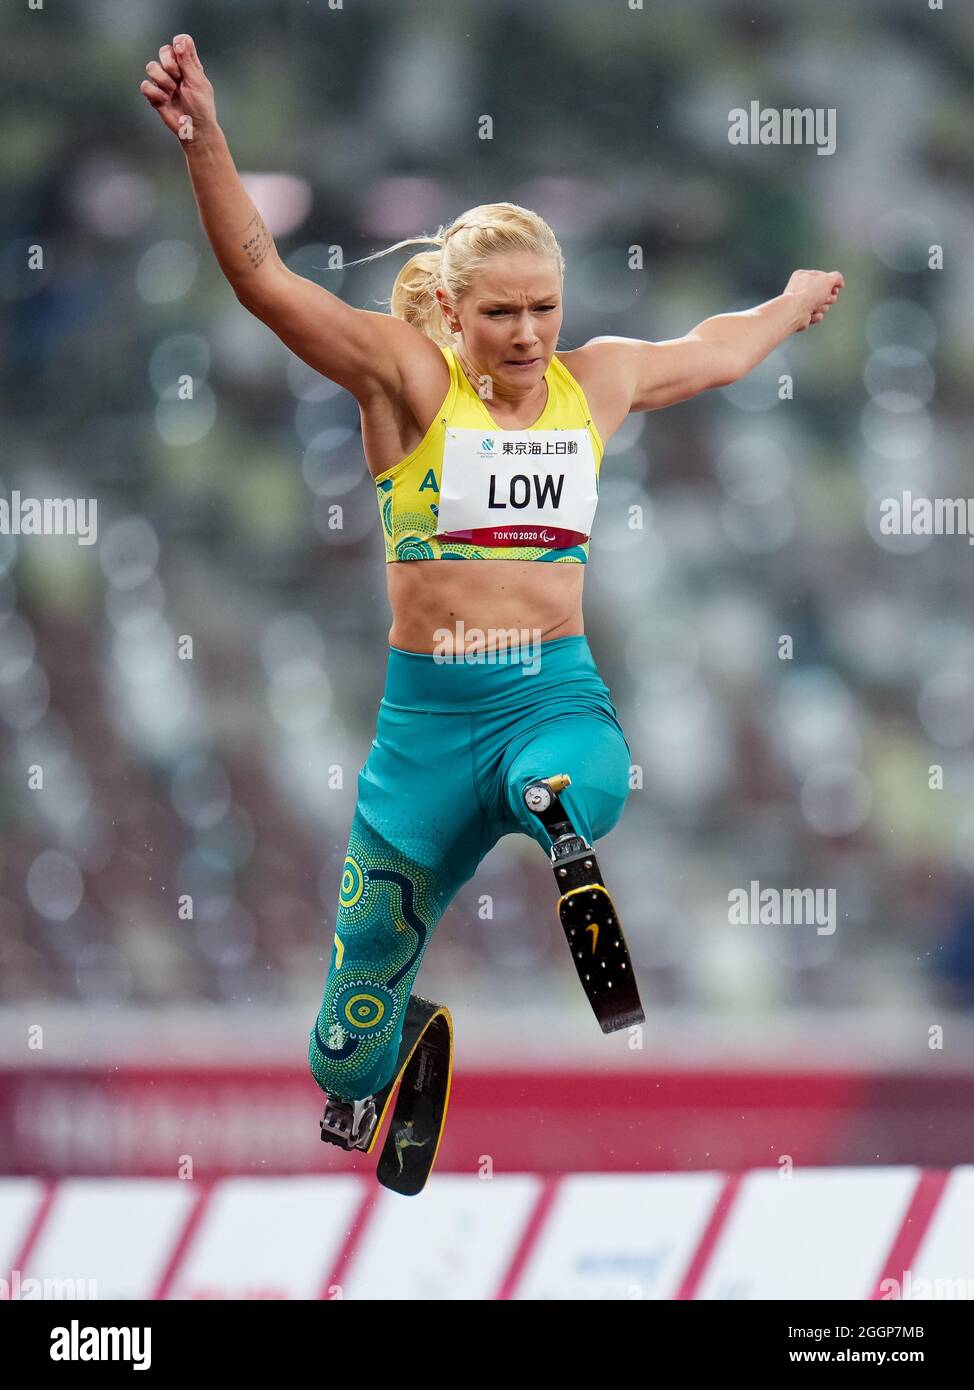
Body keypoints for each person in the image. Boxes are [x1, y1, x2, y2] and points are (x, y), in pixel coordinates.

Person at [141, 34, 844, 1149]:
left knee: (571, 786)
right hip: (423, 725)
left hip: (544, 696)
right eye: (502, 314)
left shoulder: (595, 380)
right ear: (455, 314)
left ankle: (558, 826)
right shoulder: (405, 381)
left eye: (544, 310)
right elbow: (261, 279)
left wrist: (789, 303)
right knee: (337, 1056)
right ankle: (401, 1041)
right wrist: (205, 140)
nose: (527, 336)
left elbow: (710, 351)